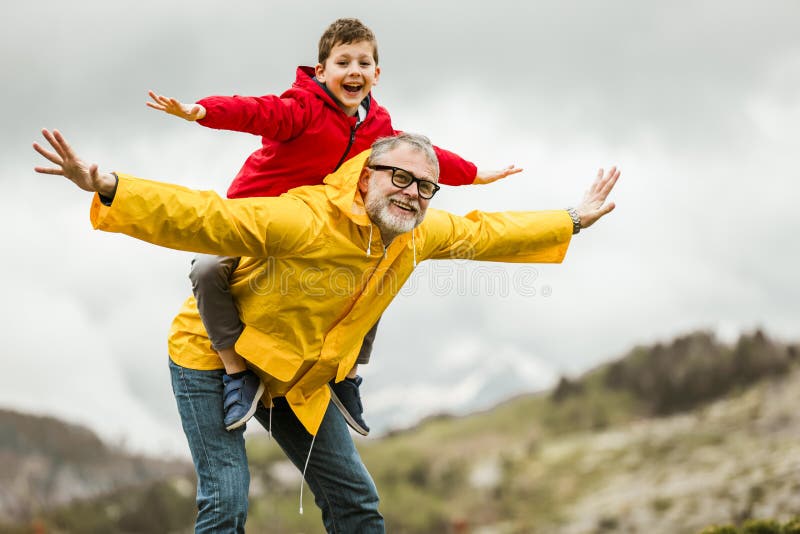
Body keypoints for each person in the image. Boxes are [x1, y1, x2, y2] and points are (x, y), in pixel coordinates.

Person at [33, 129, 619, 533]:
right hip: (211, 354)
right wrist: (111, 187)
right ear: (365, 176)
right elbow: (210, 216)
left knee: (356, 503)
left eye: (425, 186)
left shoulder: (419, 234)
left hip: (294, 373)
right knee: (227, 500)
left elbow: (487, 231)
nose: (412, 193)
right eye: (400, 177)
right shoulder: (307, 217)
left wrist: (572, 218)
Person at [145, 17, 522, 434]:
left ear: (376, 74)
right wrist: (202, 111)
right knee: (206, 270)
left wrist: (474, 174)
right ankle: (237, 373)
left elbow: (426, 158)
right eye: (343, 62)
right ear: (321, 72)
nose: (354, 71)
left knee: (377, 268)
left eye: (363, 63)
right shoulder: (301, 110)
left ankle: (347, 376)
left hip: (318, 227)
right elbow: (255, 112)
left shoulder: (378, 129)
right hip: (258, 219)